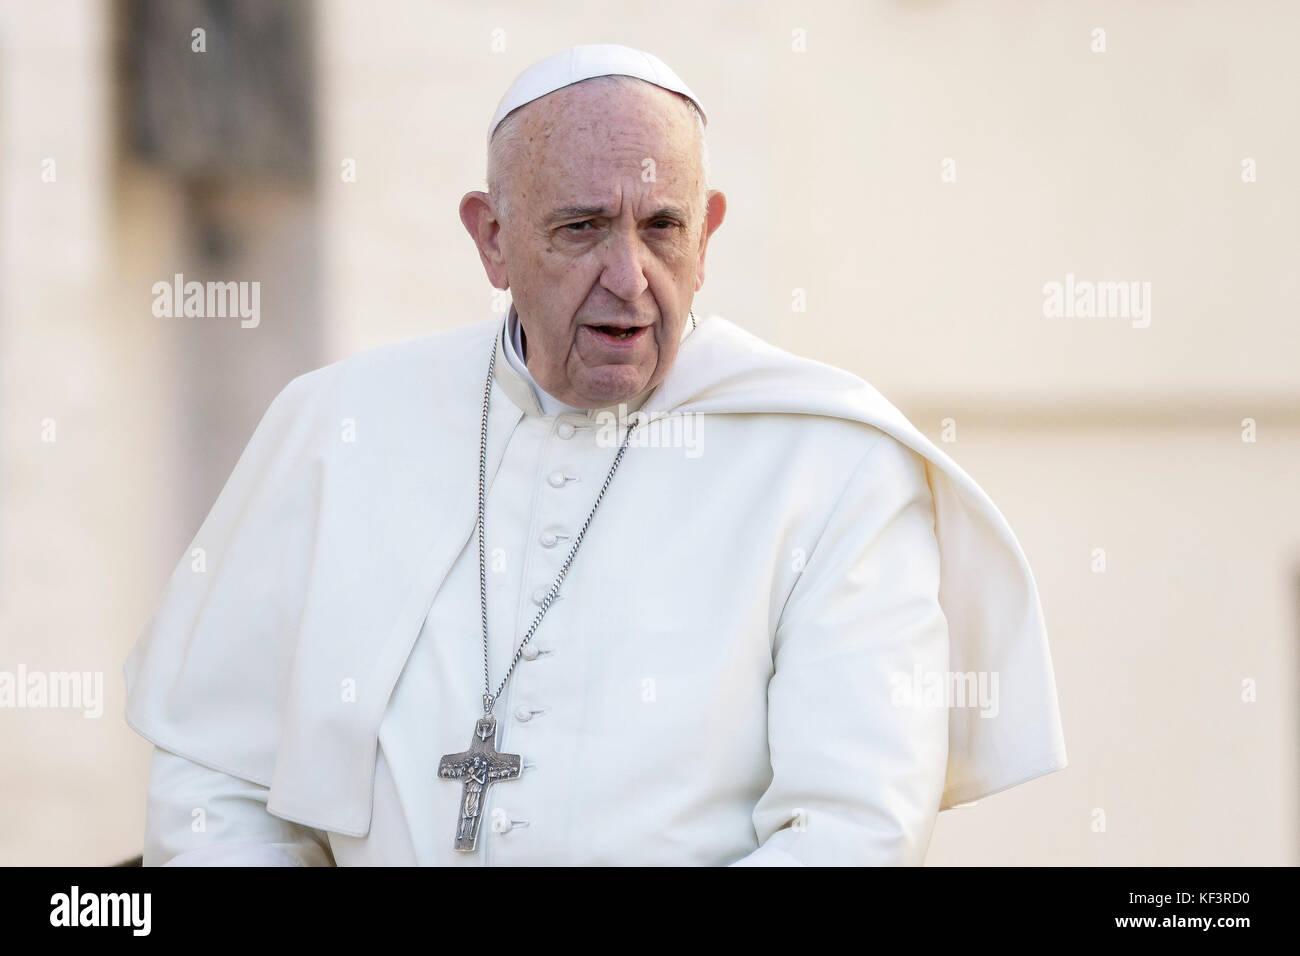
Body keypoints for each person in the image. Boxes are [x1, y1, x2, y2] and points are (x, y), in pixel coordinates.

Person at [124, 43, 1067, 866]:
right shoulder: (340, 429)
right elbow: (217, 781)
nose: (629, 277)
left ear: (709, 232)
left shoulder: (834, 468)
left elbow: (852, 830)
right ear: (491, 239)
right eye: (580, 229)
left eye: (663, 228)